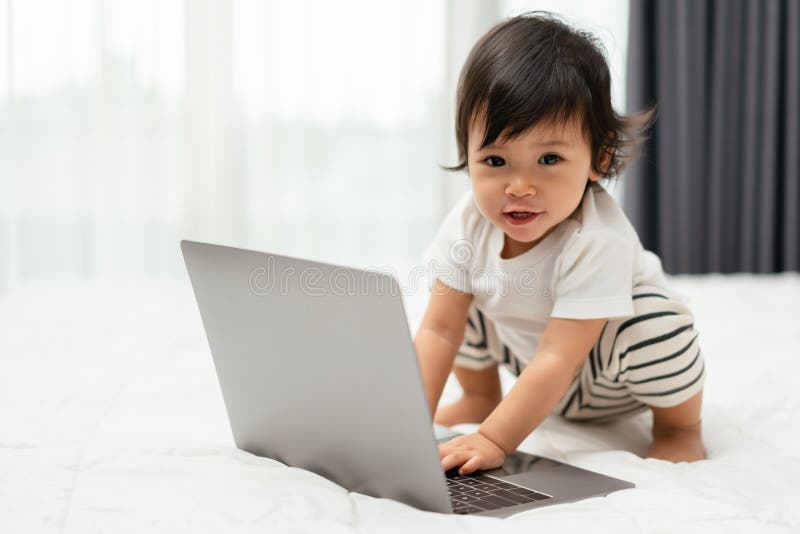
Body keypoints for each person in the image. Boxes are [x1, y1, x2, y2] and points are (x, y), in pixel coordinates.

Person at [414, 12, 707, 477]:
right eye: (495, 159)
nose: (520, 185)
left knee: (656, 326)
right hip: (526, 358)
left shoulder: (596, 239)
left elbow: (559, 356)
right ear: (467, 157)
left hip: (604, 373)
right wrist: (409, 426)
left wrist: (493, 438)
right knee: (458, 302)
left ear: (599, 158)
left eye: (549, 158)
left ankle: (679, 427)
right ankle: (479, 393)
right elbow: (438, 331)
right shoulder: (469, 221)